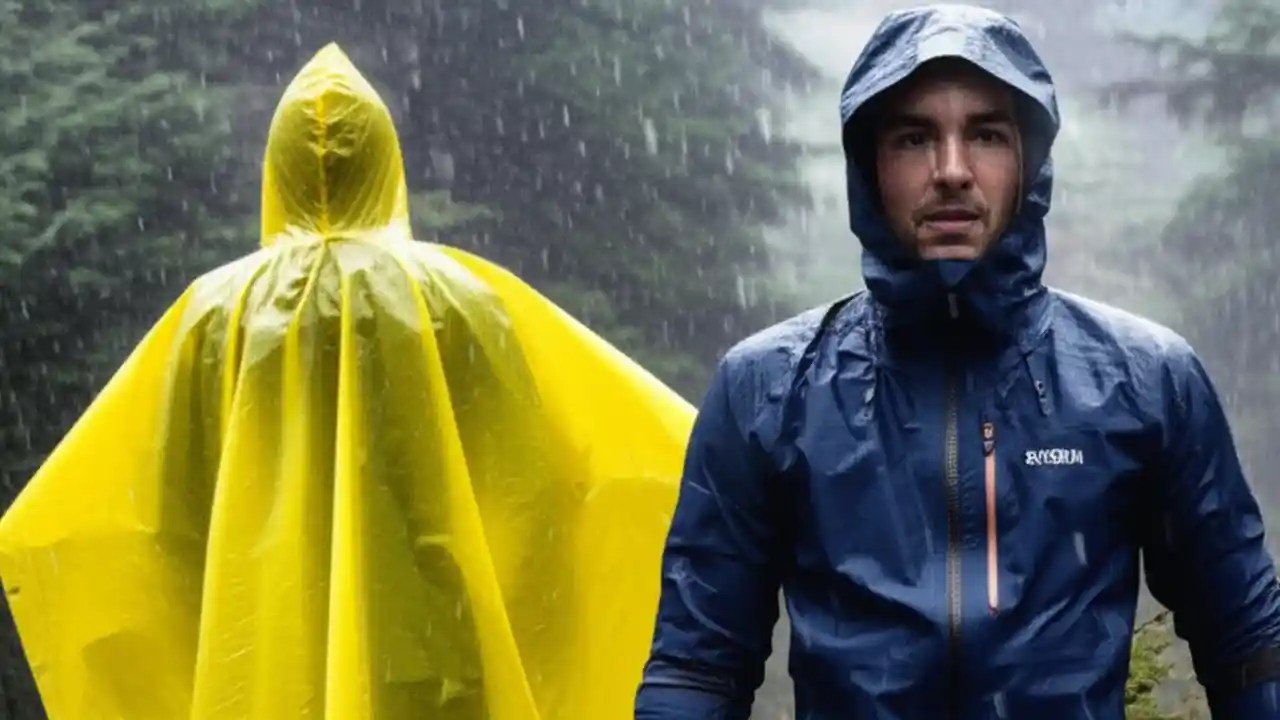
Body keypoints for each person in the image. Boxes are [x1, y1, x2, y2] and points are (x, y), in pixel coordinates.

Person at [0, 43, 693, 719]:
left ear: (276, 171)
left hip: (261, 652)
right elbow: (540, 479)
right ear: (386, 162)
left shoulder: (211, 317)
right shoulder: (461, 299)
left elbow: (147, 508)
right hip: (439, 650)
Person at [635, 5, 1280, 719]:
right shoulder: (769, 387)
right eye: (914, 138)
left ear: (1028, 163)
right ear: (871, 166)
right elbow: (698, 666)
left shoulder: (1145, 380)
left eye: (986, 135)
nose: (951, 170)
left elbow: (1249, 644)